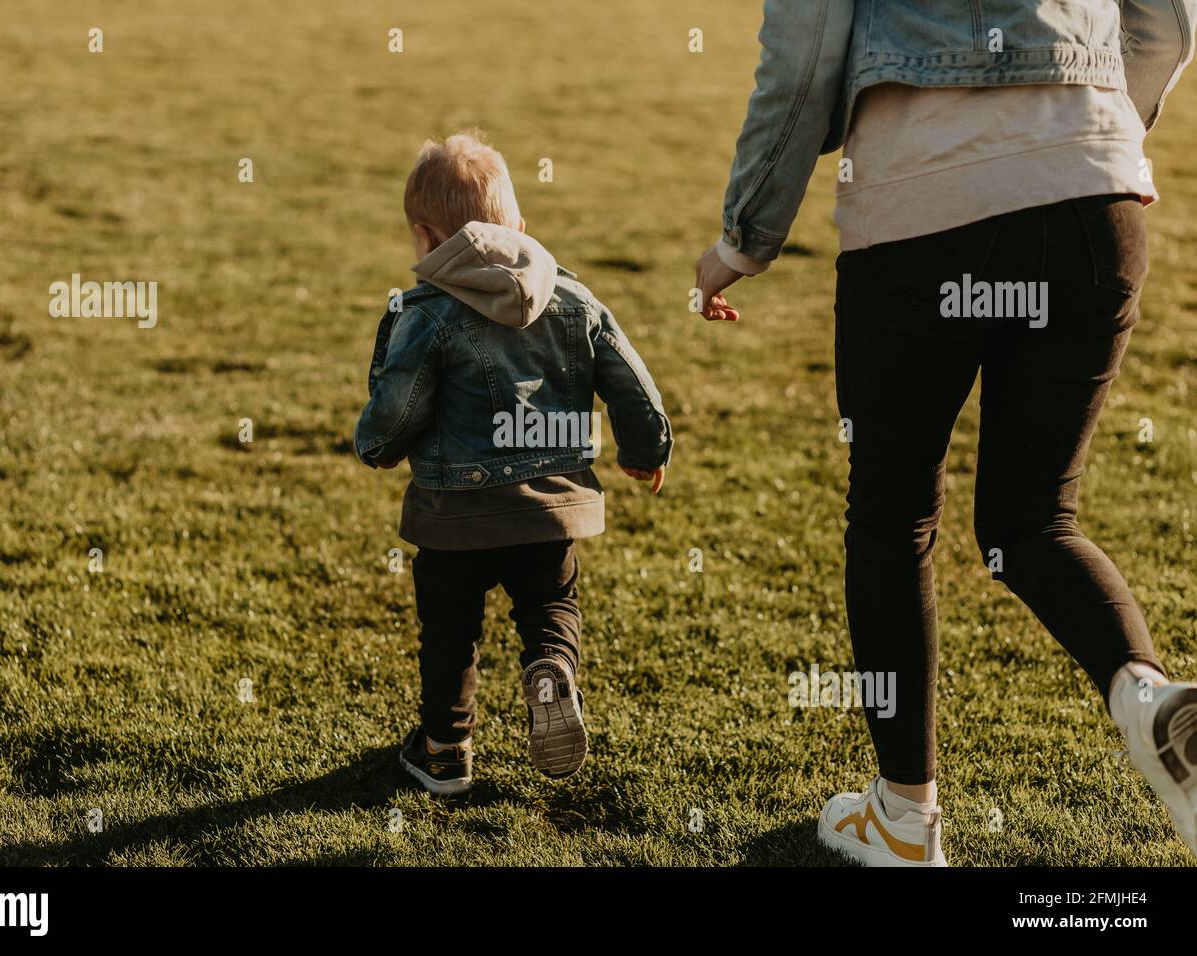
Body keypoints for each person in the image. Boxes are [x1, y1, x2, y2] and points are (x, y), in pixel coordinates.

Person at [697, 0, 1197, 865]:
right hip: (1096, 194)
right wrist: (1095, 125)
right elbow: (1170, 19)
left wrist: (746, 235)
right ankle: (1151, 700)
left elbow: (804, 49)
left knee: (892, 517)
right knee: (1036, 521)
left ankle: (903, 816)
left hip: (920, 205)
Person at [354, 131, 673, 794]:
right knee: (551, 601)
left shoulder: (425, 315)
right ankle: (551, 667)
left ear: (424, 236)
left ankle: (444, 748)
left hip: (454, 517)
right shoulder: (575, 300)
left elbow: (397, 407)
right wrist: (645, 451)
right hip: (548, 512)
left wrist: (376, 449)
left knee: (449, 629)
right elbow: (632, 380)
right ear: (519, 226)